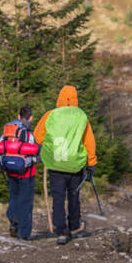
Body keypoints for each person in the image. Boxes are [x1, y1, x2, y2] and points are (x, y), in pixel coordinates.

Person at [34, 85, 97, 245]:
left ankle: (61, 232)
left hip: (56, 163)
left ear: (60, 97)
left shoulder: (50, 115)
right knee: (74, 195)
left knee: (58, 198)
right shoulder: (81, 116)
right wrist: (91, 163)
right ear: (75, 98)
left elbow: (38, 137)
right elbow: (88, 141)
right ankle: (75, 228)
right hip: (75, 164)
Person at [0, 106, 38, 239]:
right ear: (31, 118)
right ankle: (24, 235)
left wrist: (2, 162)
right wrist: (34, 160)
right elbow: (34, 153)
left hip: (10, 171)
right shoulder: (28, 132)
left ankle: (13, 221)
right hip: (27, 173)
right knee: (26, 203)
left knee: (14, 198)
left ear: (18, 116)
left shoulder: (8, 130)